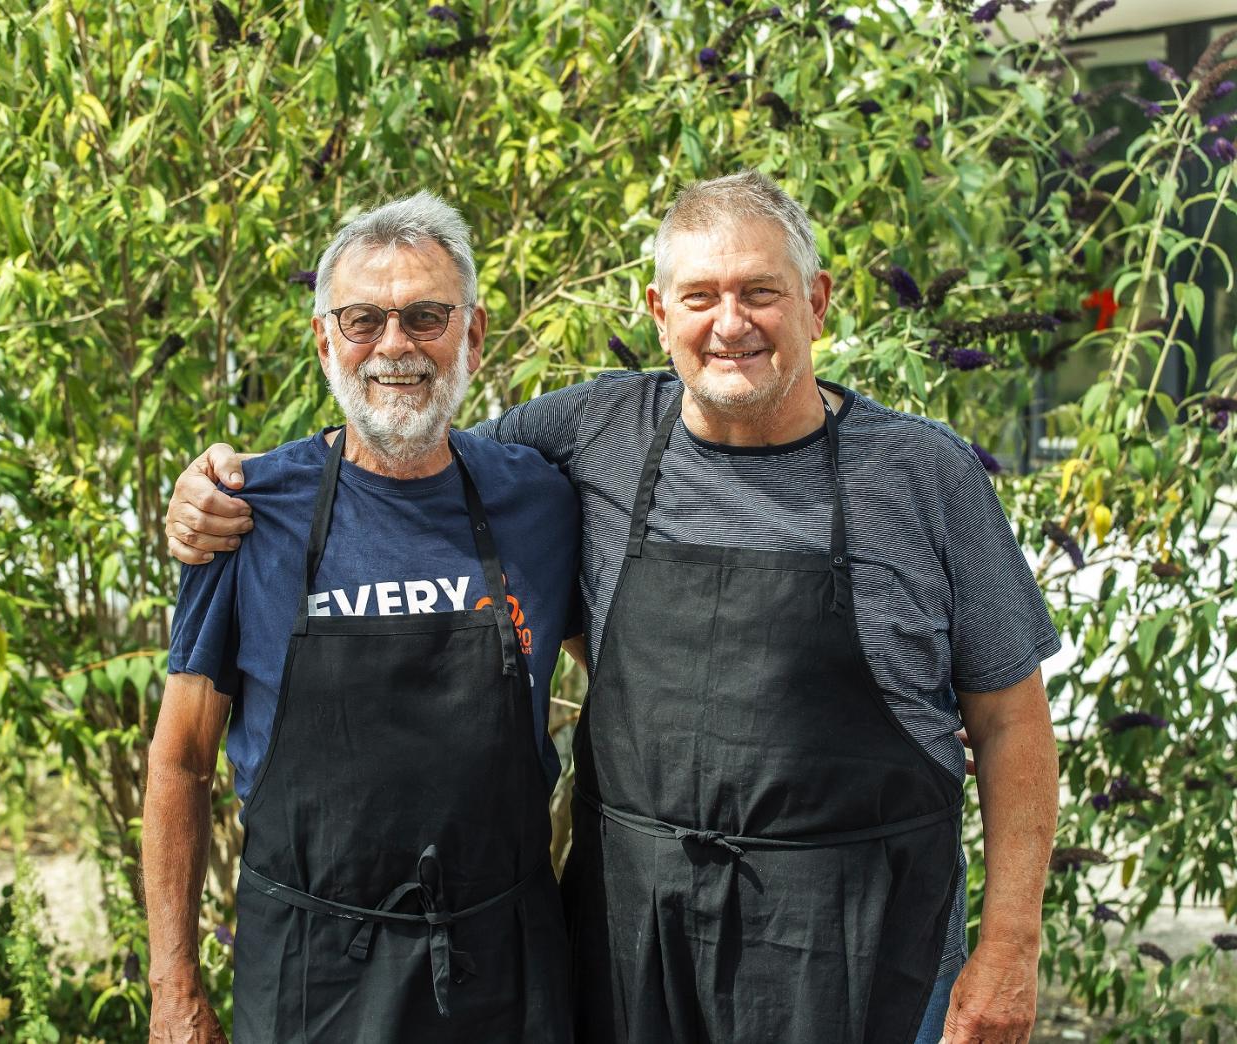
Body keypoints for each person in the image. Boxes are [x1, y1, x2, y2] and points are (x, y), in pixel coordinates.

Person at [164, 171, 1060, 1044]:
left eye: (761, 293)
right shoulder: (591, 435)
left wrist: (1011, 948)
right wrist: (215, 489)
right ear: (658, 311)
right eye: (700, 295)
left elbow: (1013, 721)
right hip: (639, 951)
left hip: (864, 942)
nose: (731, 324)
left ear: (817, 301)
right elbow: (408, 450)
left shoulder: (924, 473)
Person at [144, 192, 579, 1043]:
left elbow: (633, 692)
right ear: (323, 341)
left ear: (473, 335)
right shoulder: (247, 510)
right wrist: (173, 989)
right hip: (310, 974)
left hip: (507, 970)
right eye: (362, 320)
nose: (395, 346)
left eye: (425, 316)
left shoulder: (541, 502)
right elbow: (180, 762)